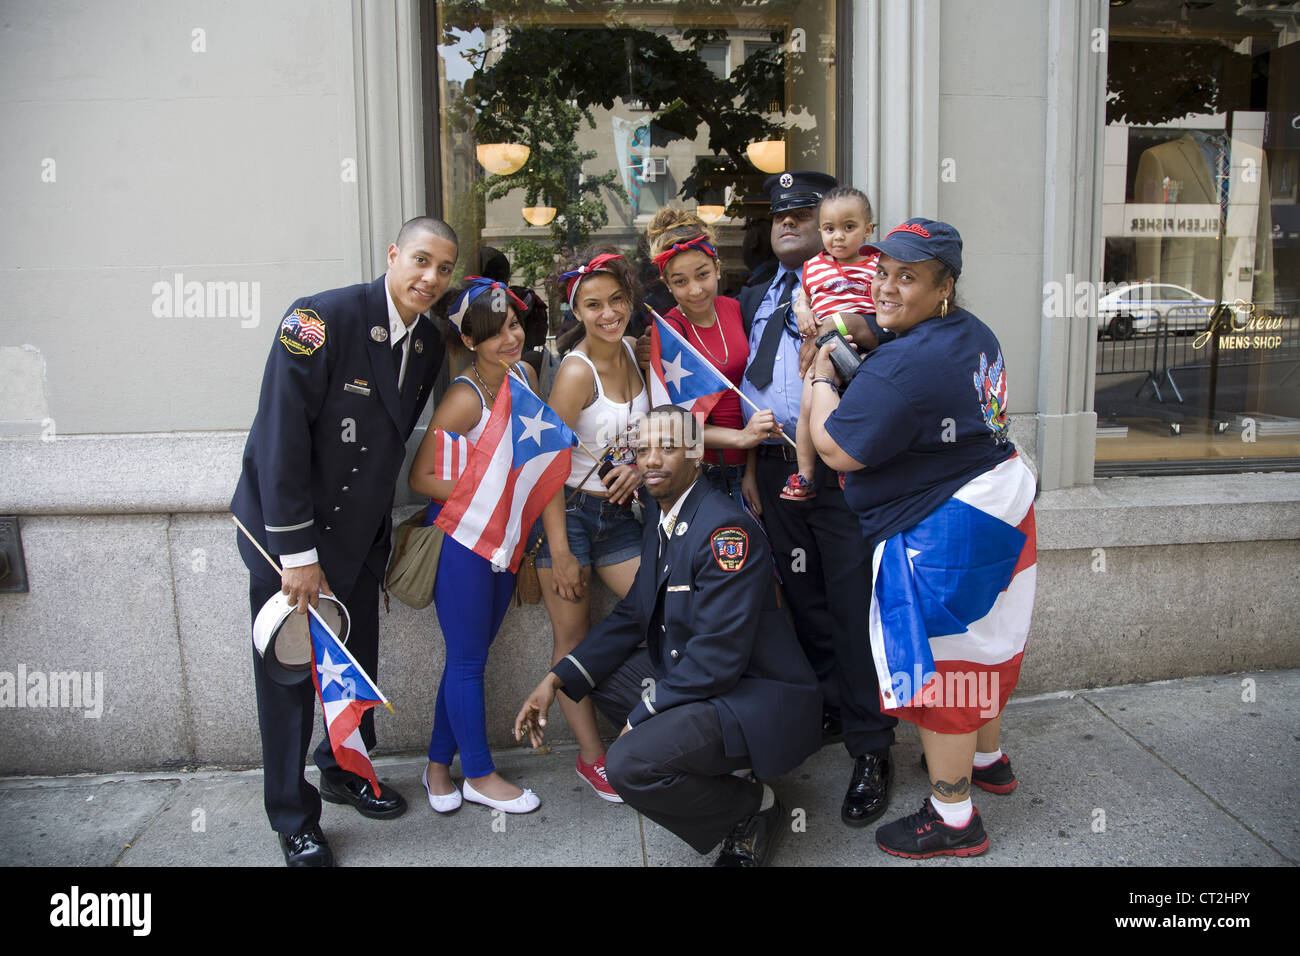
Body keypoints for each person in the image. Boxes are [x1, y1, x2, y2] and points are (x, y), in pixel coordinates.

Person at [231, 216, 457, 866]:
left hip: (359, 535)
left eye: (443, 269)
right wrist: (297, 556)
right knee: (289, 683)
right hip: (290, 539)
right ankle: (292, 817)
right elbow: (281, 438)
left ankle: (344, 769)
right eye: (420, 260)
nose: (430, 278)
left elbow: (385, 447)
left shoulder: (431, 342)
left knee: (350, 672)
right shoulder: (319, 319)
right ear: (393, 255)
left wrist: (376, 538)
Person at [807, 218, 1037, 858]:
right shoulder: (971, 330)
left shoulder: (906, 366)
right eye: (882, 272)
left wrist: (823, 379)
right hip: (1002, 505)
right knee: (985, 649)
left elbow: (834, 449)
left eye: (907, 277)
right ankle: (988, 760)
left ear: (945, 286)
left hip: (950, 531)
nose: (886, 287)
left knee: (947, 677)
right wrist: (849, 323)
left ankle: (953, 816)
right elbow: (880, 322)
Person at [513, 405, 822, 866]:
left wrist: (642, 716)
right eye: (642, 450)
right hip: (709, 682)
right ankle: (710, 764)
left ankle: (754, 807)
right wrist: (555, 680)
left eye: (667, 447)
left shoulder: (723, 530)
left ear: (696, 452)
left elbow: (718, 657)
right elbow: (631, 614)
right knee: (595, 674)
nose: (651, 460)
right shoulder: (664, 520)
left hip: (754, 694)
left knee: (627, 765)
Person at [737, 170, 899, 830]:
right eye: (781, 213)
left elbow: (898, 353)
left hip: (844, 470)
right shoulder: (754, 293)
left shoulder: (876, 284)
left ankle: (872, 747)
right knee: (804, 602)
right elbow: (746, 382)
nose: (791, 221)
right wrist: (750, 466)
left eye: (807, 212)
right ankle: (833, 706)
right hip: (777, 468)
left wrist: (857, 326)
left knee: (851, 602)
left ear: (847, 225)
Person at [407, 277, 548, 816]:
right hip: (463, 542)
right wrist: (494, 490)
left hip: (506, 539)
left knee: (470, 657)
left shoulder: (527, 375)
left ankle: (439, 765)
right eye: (493, 333)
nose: (509, 339)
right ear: (469, 341)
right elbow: (422, 476)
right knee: (467, 661)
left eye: (512, 325)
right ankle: (481, 775)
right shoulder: (463, 398)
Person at [532, 247, 649, 802]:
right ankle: (591, 758)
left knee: (665, 609)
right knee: (571, 639)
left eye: (617, 300)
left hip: (622, 515)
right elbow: (547, 463)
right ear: (575, 309)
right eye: (593, 304)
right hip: (571, 515)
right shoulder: (576, 371)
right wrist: (560, 549)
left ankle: (648, 726)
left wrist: (639, 467)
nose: (608, 313)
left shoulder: (633, 350)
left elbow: (654, 434)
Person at [644, 207, 782, 504]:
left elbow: (752, 395)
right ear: (667, 286)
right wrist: (742, 437)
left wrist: (750, 468)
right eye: (680, 282)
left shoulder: (735, 310)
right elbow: (671, 421)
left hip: (749, 468)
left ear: (718, 268)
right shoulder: (669, 331)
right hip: (702, 473)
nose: (695, 290)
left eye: (703, 274)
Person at [783, 186, 879, 501]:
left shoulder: (876, 264)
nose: (838, 236)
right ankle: (806, 474)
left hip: (860, 348)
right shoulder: (813, 266)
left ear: (868, 229)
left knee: (853, 408)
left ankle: (845, 467)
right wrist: (802, 310)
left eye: (848, 228)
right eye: (829, 229)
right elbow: (803, 298)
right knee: (809, 407)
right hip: (824, 350)